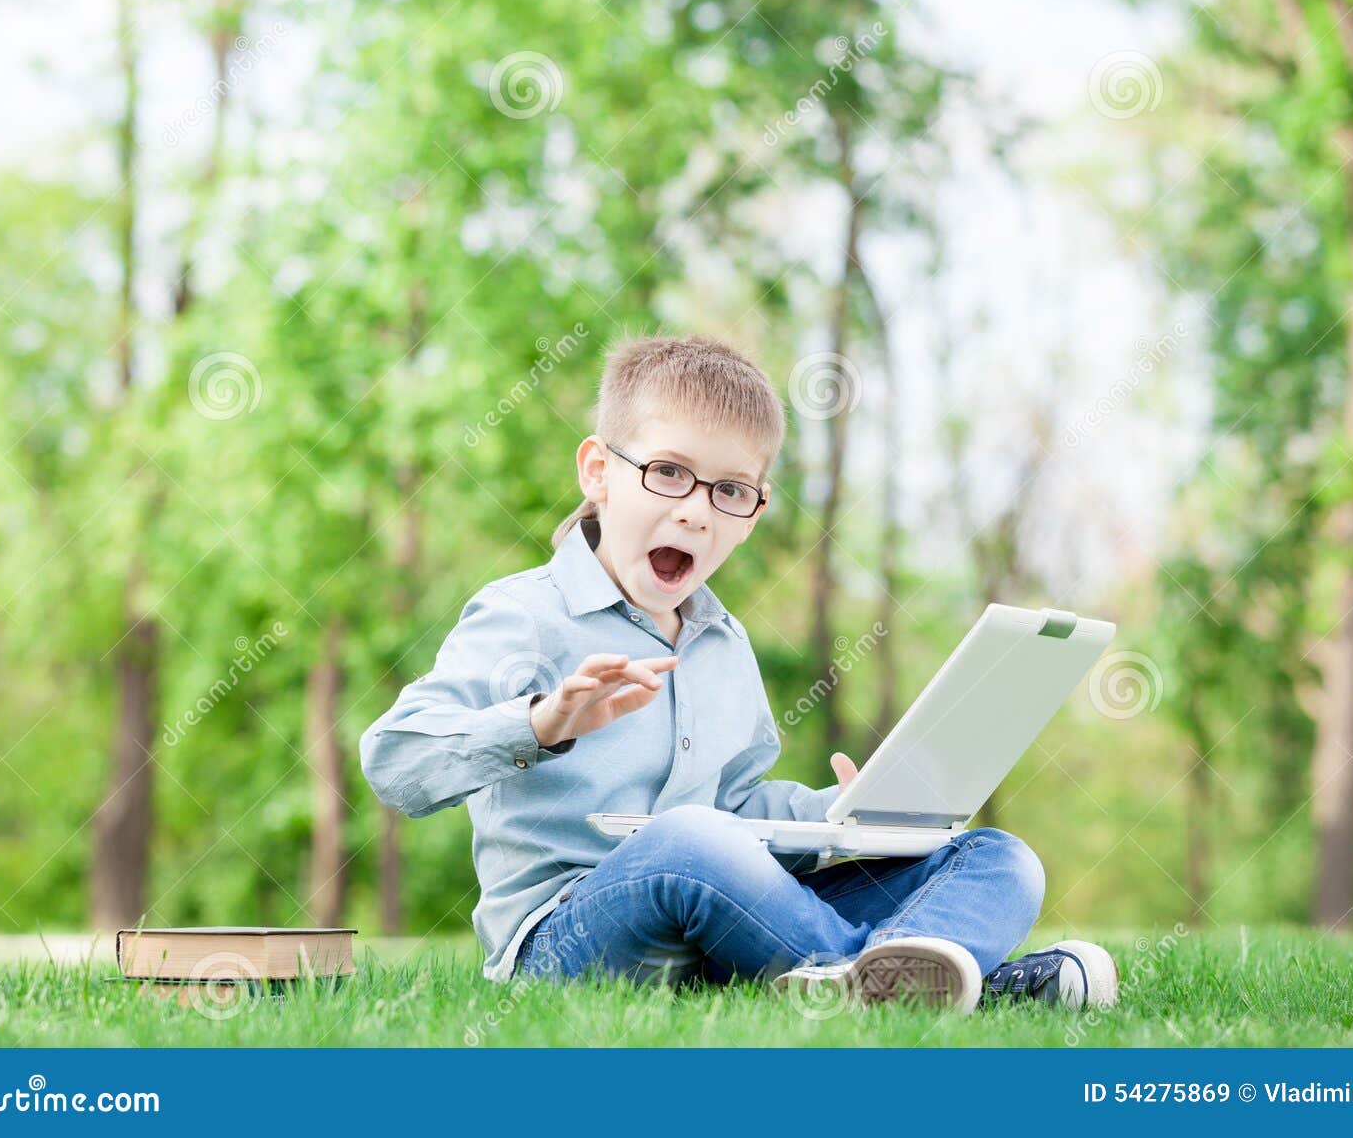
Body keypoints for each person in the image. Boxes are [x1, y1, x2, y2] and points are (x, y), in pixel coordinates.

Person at [360, 334, 1117, 1013]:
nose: (696, 512)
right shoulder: (523, 614)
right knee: (690, 841)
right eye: (668, 472)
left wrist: (846, 810)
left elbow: (739, 807)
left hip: (717, 937)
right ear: (599, 472)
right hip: (565, 941)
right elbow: (394, 761)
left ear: (751, 514)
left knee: (996, 856)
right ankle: (949, 980)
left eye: (728, 490)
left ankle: (872, 978)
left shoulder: (724, 644)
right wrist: (541, 721)